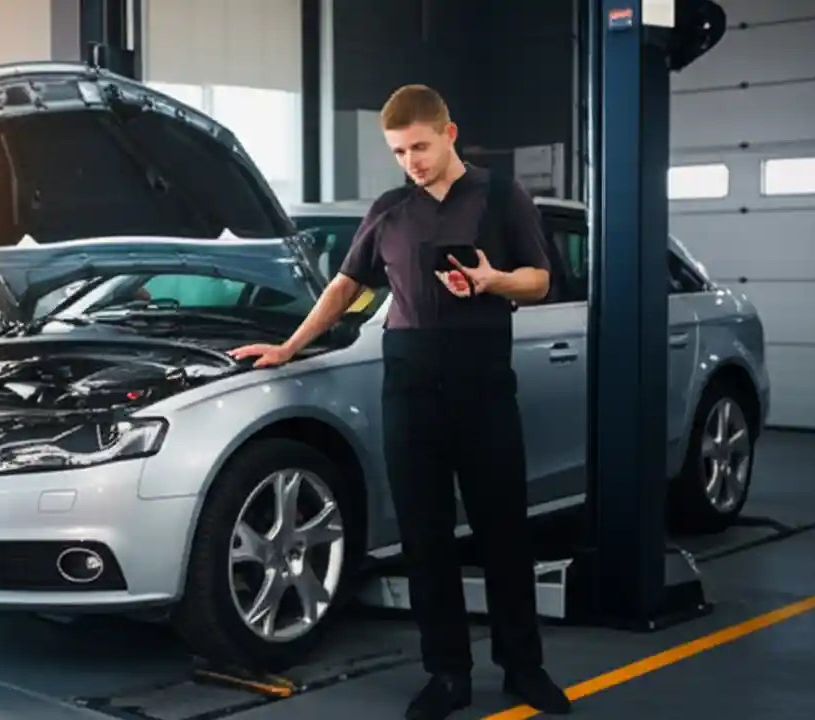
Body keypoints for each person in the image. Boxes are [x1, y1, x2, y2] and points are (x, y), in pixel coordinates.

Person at [228, 85, 572, 719]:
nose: (411, 160)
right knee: (425, 537)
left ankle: (524, 668)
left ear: (450, 133)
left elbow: (542, 278)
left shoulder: (501, 197)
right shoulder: (390, 209)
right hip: (409, 385)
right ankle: (447, 675)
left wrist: (494, 280)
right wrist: (289, 344)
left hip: (483, 383)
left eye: (419, 146)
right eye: (398, 151)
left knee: (503, 531)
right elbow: (345, 285)